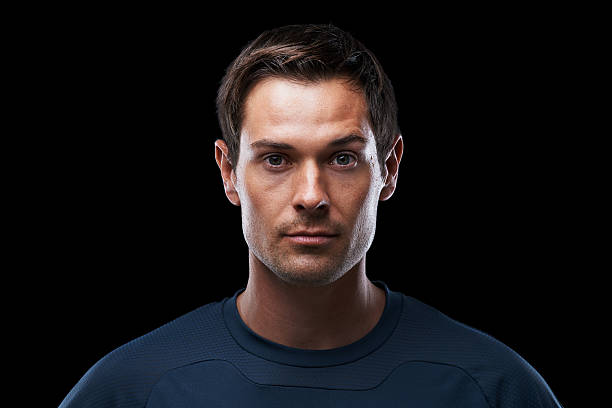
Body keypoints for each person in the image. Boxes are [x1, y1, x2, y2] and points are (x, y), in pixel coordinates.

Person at [60, 24, 562, 407]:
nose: (311, 195)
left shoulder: (494, 387)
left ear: (388, 169)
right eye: (276, 159)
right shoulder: (131, 389)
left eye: (342, 157)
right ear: (228, 172)